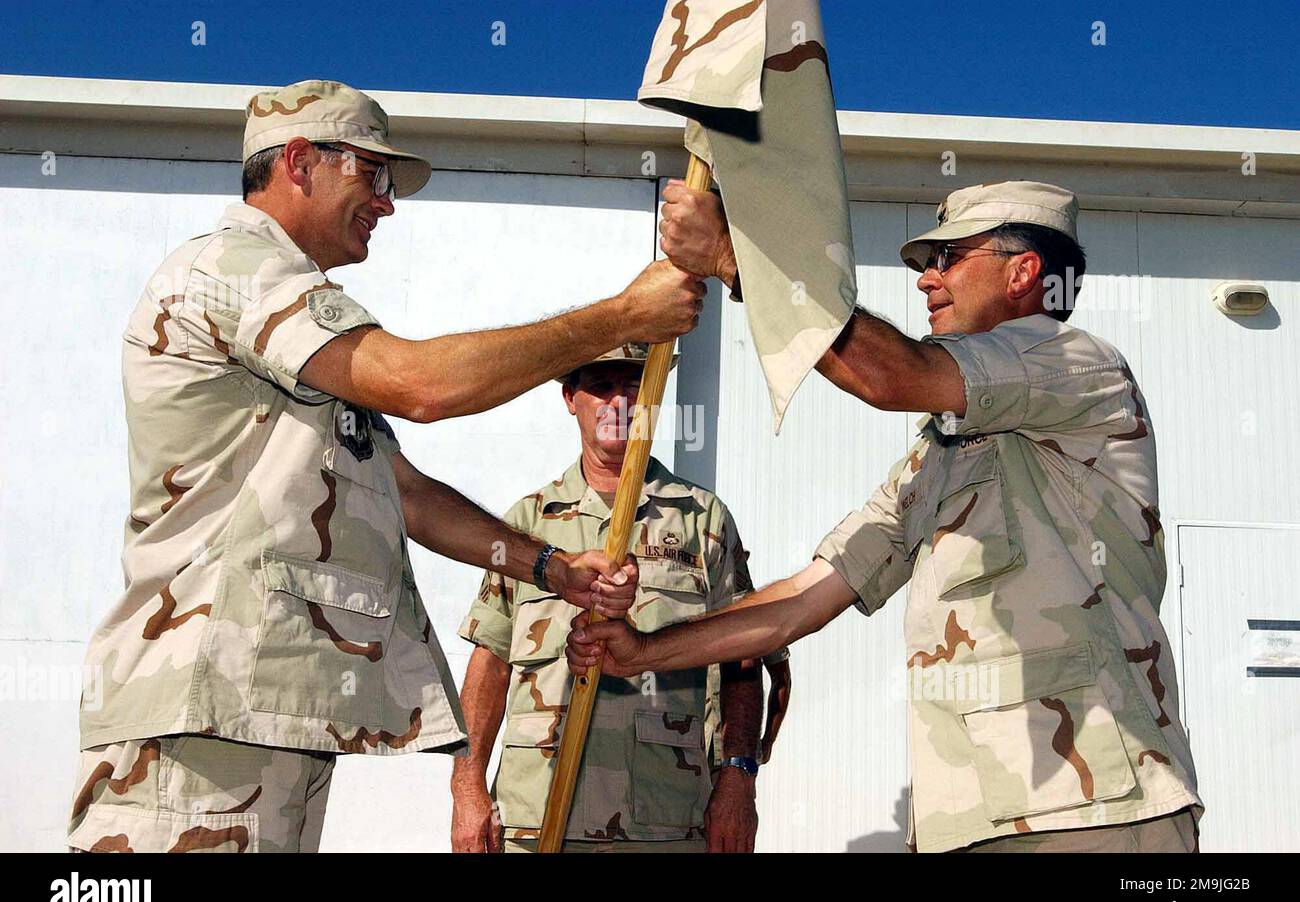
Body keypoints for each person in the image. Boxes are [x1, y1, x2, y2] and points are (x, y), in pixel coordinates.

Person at [68, 79, 704, 853]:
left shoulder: (301, 328)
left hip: (257, 716)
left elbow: (405, 494)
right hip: (200, 711)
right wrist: (616, 318)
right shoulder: (236, 270)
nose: (387, 202)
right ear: (299, 161)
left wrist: (550, 567)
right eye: (372, 174)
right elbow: (421, 387)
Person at [568, 179, 1203, 853]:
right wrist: (644, 649)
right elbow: (802, 600)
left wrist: (735, 257)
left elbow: (889, 375)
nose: (927, 281)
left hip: (1092, 813)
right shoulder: (942, 450)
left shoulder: (1076, 364)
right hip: (976, 819)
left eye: (949, 257)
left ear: (1025, 272)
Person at [451, 345, 773, 853]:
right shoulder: (526, 526)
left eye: (633, 387)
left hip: (663, 822)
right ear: (569, 399)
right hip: (536, 819)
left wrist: (738, 778)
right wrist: (466, 790)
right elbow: (489, 660)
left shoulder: (702, 521)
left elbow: (744, 656)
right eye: (601, 387)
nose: (619, 402)